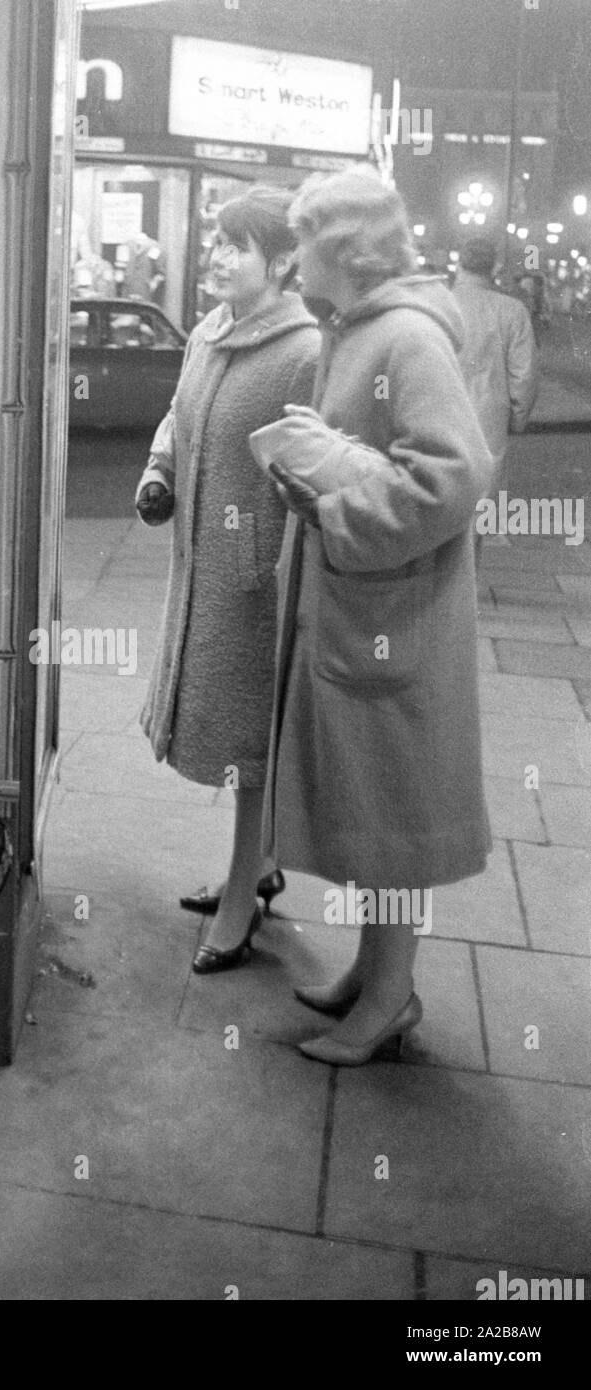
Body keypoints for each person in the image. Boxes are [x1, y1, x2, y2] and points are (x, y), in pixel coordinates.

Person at [262, 167, 496, 1065]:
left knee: (391, 819)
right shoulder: (357, 329)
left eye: (301, 246)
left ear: (344, 252)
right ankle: (371, 973)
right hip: (366, 612)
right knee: (370, 808)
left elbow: (450, 476)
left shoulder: (401, 336)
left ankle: (388, 1000)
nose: (291, 266)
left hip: (392, 617)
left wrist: (331, 505)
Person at [135, 188, 321, 973]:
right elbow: (180, 416)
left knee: (249, 748)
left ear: (281, 263)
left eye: (234, 245)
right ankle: (261, 864)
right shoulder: (210, 329)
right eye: (214, 241)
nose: (215, 256)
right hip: (203, 571)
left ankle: (243, 898)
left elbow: (314, 462)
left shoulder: (305, 350)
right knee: (232, 734)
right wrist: (158, 470)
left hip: (258, 586)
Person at [453, 236, 538, 554]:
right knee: (477, 508)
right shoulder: (512, 311)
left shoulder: (437, 304)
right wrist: (516, 418)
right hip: (488, 414)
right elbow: (524, 374)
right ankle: (467, 583)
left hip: (436, 409)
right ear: (496, 268)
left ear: (459, 264)